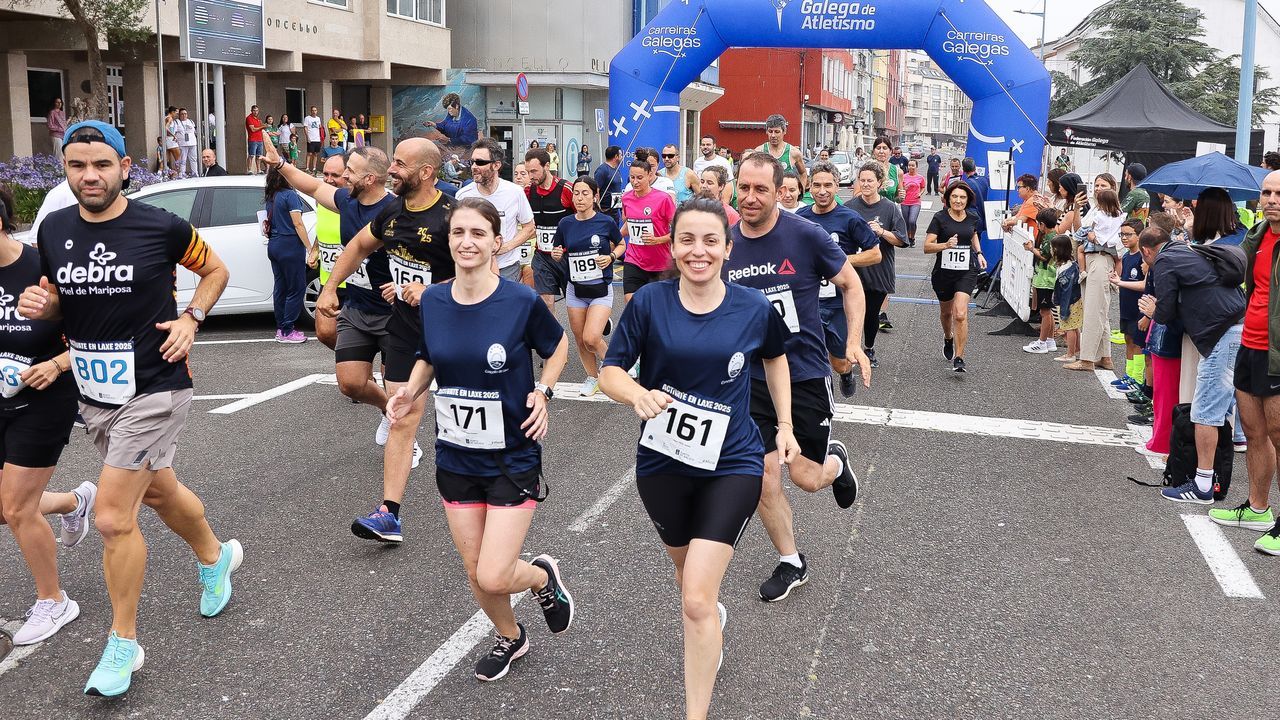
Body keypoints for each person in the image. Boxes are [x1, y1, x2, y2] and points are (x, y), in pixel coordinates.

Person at [19, 121, 239, 696]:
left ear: (125, 167)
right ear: (65, 170)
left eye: (101, 165)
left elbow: (216, 270)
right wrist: (40, 307)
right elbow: (58, 309)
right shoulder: (55, 229)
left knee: (115, 516)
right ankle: (215, 557)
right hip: (96, 393)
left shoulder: (162, 226)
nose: (89, 176)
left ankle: (124, 644)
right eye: (76, 166)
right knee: (161, 490)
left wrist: (192, 318)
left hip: (157, 387)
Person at [599, 196, 796, 720]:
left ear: (728, 249)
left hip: (733, 462)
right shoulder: (649, 303)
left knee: (692, 601)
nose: (698, 250)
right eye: (687, 239)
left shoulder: (753, 308)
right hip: (663, 464)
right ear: (671, 245)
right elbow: (609, 370)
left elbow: (776, 360)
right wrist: (635, 394)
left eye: (711, 240)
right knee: (691, 585)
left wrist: (786, 427)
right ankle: (710, 616)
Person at [383, 196, 574, 682]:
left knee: (495, 573)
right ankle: (511, 637)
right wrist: (410, 390)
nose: (467, 242)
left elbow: (556, 349)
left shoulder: (521, 301)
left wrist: (544, 391)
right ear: (449, 241)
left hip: (512, 454)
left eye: (478, 234)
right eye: (458, 233)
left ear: (495, 242)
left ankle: (541, 577)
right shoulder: (434, 300)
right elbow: (430, 356)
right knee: (476, 571)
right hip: (456, 455)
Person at [724, 152, 870, 602]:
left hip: (804, 372)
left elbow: (850, 283)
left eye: (760, 189)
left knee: (805, 478)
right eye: (743, 188)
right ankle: (792, 561)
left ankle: (836, 463)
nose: (749, 198)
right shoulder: (725, 244)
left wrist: (852, 342)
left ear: (780, 191)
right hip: (750, 379)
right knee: (764, 477)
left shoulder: (805, 235)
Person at [318, 137, 454, 543]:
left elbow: (484, 274)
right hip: (406, 329)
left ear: (426, 172)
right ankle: (389, 514)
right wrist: (330, 287)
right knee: (402, 414)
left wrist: (432, 290)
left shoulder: (452, 216)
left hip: (456, 329)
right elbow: (359, 245)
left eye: (399, 163)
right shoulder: (392, 211)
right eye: (392, 162)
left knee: (476, 416)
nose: (391, 169)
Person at [0, 187, 98, 647]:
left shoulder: (40, 264)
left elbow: (90, 326)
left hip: (44, 399)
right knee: (6, 509)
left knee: (17, 507)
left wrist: (57, 365)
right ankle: (73, 503)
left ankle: (53, 601)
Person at [1137, 225, 1246, 503]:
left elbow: (1166, 310)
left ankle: (1203, 485)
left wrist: (1152, 311)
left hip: (1221, 333)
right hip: (1239, 325)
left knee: (1205, 412)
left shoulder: (1163, 261)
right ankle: (1212, 480)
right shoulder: (1190, 251)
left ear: (1147, 251)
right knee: (1226, 412)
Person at [1209, 171, 1280, 553]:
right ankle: (1258, 508)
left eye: (1278, 193)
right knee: (1254, 432)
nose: (1271, 199)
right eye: (1266, 192)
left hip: (1277, 352)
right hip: (1250, 344)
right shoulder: (1257, 236)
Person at [798, 161, 880, 395]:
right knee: (807, 355)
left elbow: (875, 254)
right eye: (817, 185)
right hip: (808, 301)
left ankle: (845, 373)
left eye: (828, 185)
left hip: (838, 303)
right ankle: (818, 395)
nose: (822, 191)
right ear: (809, 187)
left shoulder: (849, 218)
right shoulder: (801, 218)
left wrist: (839, 263)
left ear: (837, 186)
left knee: (839, 360)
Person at [550, 176, 621, 396]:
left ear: (594, 196)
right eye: (576, 193)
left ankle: (613, 371)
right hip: (576, 289)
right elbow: (558, 250)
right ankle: (593, 377)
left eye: (585, 193)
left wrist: (610, 256)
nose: (580, 198)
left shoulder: (605, 222)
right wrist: (556, 254)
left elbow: (621, 244)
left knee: (592, 338)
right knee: (581, 339)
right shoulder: (566, 223)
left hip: (600, 288)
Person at [845, 161, 907, 368]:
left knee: (871, 314)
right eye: (862, 180)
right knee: (850, 313)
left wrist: (881, 231)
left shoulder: (890, 208)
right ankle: (849, 348)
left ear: (879, 183)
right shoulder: (849, 207)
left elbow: (901, 240)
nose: (865, 184)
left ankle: (869, 349)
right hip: (853, 269)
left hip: (879, 270)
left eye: (870, 180)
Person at [925, 181, 988, 373]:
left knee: (960, 313)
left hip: (966, 271)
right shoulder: (939, 218)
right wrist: (945, 245)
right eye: (954, 196)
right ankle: (948, 337)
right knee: (947, 313)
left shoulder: (972, 217)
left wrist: (979, 253)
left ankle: (959, 357)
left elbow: (973, 234)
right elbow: (927, 247)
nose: (958, 200)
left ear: (967, 200)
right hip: (943, 273)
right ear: (948, 198)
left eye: (962, 197)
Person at [458, 138, 535, 283]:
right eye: (472, 162)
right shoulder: (463, 195)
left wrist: (505, 248)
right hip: (473, 267)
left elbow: (529, 228)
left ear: (496, 165)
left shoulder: (515, 192)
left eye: (480, 162)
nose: (474, 166)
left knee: (503, 306)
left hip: (507, 267)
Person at [1064, 188, 1124, 372]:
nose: (1098, 189)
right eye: (1096, 185)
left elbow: (1080, 232)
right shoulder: (1114, 214)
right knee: (1101, 312)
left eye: (1103, 185)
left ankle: (1087, 359)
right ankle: (1104, 357)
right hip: (1100, 259)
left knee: (1092, 311)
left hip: (1099, 258)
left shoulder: (1105, 216)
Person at [262, 167, 311, 344]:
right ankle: (288, 330)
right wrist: (310, 248)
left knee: (280, 287)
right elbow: (298, 224)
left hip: (274, 244)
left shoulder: (271, 195)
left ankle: (281, 327)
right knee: (296, 287)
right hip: (290, 245)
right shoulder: (290, 195)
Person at [524, 148, 575, 312]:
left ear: (547, 166)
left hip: (566, 256)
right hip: (542, 257)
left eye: (534, 171)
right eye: (528, 172)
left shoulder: (566, 189)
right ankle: (554, 337)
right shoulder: (528, 191)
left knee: (575, 305)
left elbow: (584, 217)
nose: (531, 176)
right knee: (546, 302)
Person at [620, 159, 676, 303]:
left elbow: (679, 230)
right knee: (631, 302)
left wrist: (657, 240)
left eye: (640, 178)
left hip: (659, 262)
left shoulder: (663, 199)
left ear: (649, 176)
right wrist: (613, 238)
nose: (635, 182)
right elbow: (629, 225)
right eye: (632, 177)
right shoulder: (626, 198)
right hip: (634, 259)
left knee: (657, 307)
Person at [1108, 220, 1148, 385]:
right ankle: (1128, 374)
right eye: (1122, 234)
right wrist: (1115, 278)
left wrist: (1121, 283)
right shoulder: (1126, 255)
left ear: (1139, 236)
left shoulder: (1144, 258)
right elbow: (1123, 278)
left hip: (1139, 307)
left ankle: (1137, 378)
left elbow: (1144, 285)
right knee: (1128, 339)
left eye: (1128, 234)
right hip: (1126, 306)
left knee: (1138, 342)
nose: (1124, 238)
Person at [1023, 208, 1063, 354]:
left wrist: (1031, 249)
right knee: (1048, 311)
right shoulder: (1055, 235)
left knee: (1045, 312)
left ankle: (1042, 342)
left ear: (1042, 224)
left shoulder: (1049, 238)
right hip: (1050, 279)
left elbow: (1044, 256)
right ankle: (1050, 340)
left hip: (1046, 279)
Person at [1051, 234, 1084, 364]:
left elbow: (1066, 292)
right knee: (1075, 327)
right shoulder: (1071, 265)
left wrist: (1064, 309)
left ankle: (1070, 354)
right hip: (1075, 300)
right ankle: (1076, 349)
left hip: (1068, 302)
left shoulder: (1065, 271)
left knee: (1069, 327)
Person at [757, 114, 807, 186]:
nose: (773, 135)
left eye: (777, 132)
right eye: (770, 131)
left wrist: (801, 193)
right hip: (767, 195)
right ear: (766, 132)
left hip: (786, 195)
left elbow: (803, 173)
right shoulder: (759, 152)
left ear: (784, 131)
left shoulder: (793, 153)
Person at [693, 134, 734, 204]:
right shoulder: (697, 162)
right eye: (703, 145)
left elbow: (728, 185)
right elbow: (697, 183)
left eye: (708, 145)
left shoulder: (724, 162)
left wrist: (723, 204)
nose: (705, 147)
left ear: (714, 146)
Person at [593, 145, 626, 224]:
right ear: (616, 156)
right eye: (621, 155)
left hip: (615, 210)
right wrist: (598, 208)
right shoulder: (602, 170)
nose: (622, 157)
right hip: (605, 211)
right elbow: (596, 188)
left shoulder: (616, 170)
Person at [899, 159, 926, 245]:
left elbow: (923, 187)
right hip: (905, 202)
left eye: (913, 165)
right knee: (906, 222)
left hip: (915, 202)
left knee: (912, 221)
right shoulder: (903, 176)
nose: (911, 167)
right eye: (909, 165)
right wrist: (904, 189)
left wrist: (920, 193)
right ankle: (907, 238)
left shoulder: (920, 178)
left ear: (916, 167)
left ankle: (912, 237)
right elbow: (899, 188)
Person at [871, 137, 903, 204]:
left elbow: (898, 199)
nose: (881, 151)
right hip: (869, 211)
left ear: (890, 151)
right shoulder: (865, 169)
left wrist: (900, 197)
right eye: (878, 148)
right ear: (874, 151)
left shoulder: (898, 172)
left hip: (889, 212)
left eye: (885, 148)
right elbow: (857, 195)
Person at [303, 106, 324, 175]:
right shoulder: (307, 118)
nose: (314, 112)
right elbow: (305, 128)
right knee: (309, 153)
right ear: (311, 111)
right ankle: (307, 168)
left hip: (317, 139)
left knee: (315, 153)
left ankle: (314, 168)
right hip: (311, 138)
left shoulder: (318, 118)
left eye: (315, 110)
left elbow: (320, 127)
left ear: (317, 111)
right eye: (313, 110)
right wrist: (307, 137)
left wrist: (321, 137)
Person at [245, 105, 265, 175]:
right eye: (254, 110)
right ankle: (249, 170)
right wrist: (262, 126)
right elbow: (252, 129)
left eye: (257, 110)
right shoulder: (249, 118)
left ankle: (258, 169)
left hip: (260, 139)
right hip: (253, 139)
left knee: (259, 156)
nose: (256, 112)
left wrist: (263, 126)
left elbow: (261, 128)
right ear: (251, 111)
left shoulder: (258, 120)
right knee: (251, 155)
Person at [163, 106, 181, 177]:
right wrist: (174, 135)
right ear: (172, 112)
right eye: (176, 113)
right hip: (171, 140)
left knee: (168, 159)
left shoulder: (166, 118)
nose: (177, 115)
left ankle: (171, 173)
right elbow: (166, 128)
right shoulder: (169, 118)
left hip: (168, 139)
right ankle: (177, 174)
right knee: (178, 158)